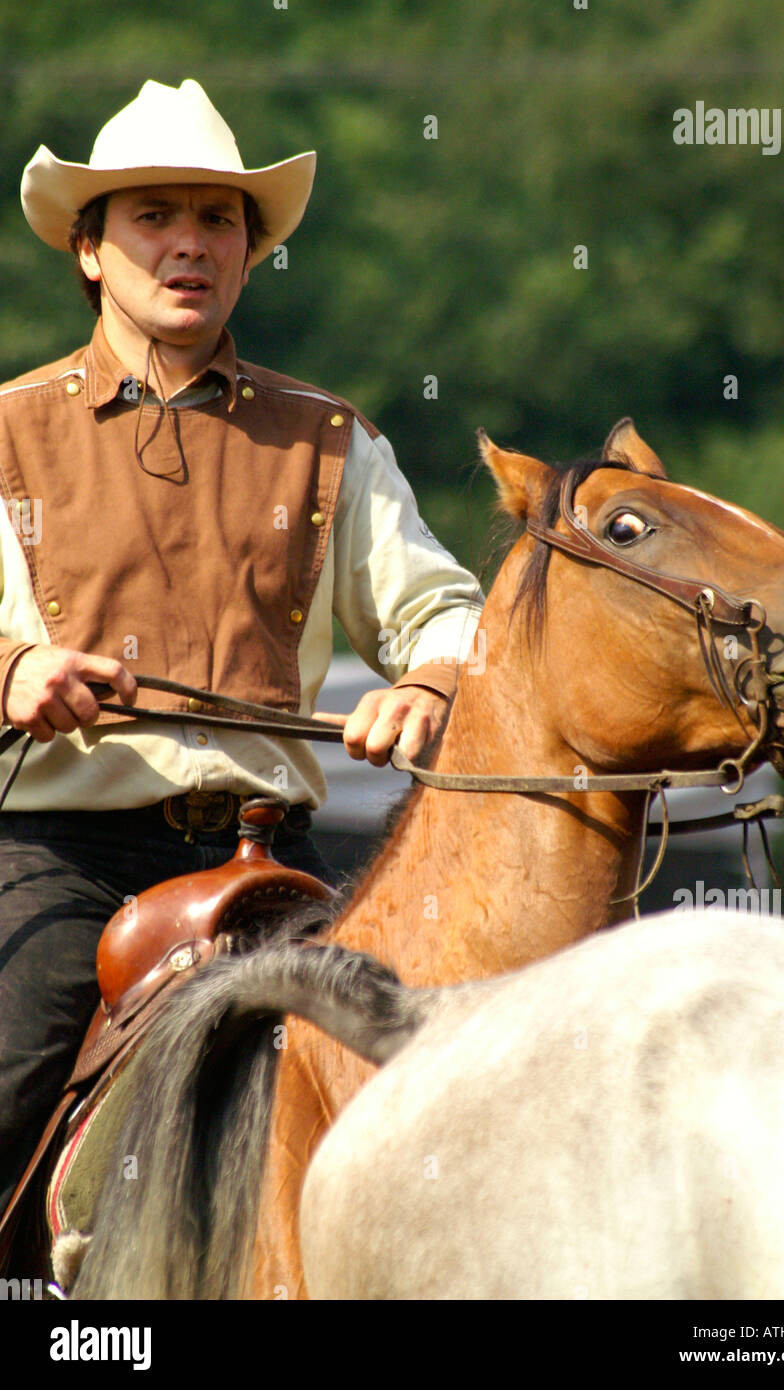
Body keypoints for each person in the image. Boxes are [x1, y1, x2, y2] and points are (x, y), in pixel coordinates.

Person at [0, 79, 482, 1213]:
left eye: (219, 220)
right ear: (89, 250)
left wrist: (432, 675)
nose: (190, 245)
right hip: (64, 860)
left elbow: (446, 607)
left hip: (281, 865)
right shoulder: (6, 431)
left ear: (251, 251)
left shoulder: (329, 439)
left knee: (433, 1106)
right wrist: (15, 670)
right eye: (154, 217)